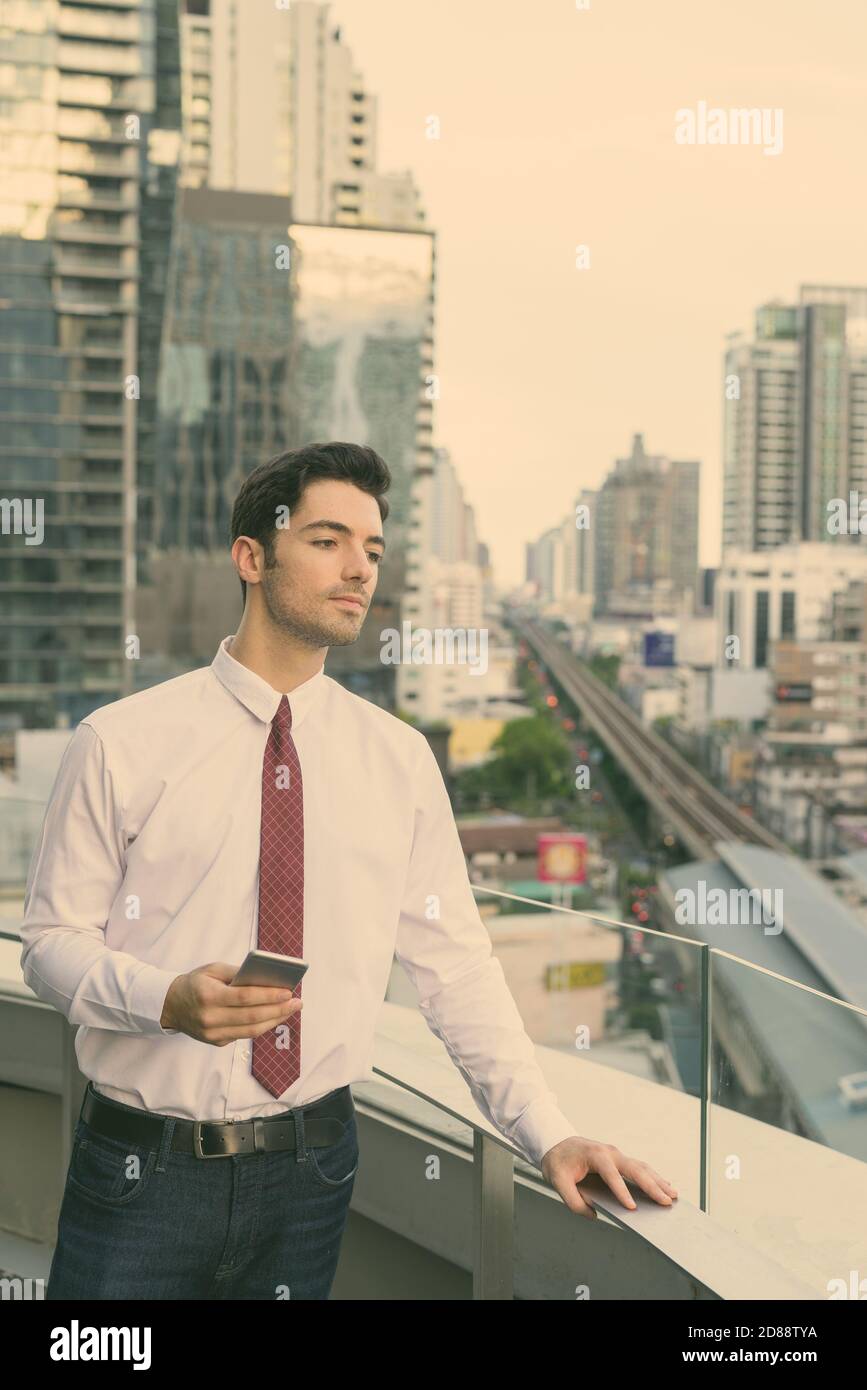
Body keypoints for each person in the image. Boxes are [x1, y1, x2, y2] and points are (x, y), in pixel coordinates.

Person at [21, 441, 677, 1301]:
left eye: (371, 549)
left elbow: (455, 967)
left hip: (314, 1171)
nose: (358, 568)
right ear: (251, 556)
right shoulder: (121, 741)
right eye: (328, 540)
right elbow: (48, 945)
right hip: (142, 1169)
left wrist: (547, 1132)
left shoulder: (397, 760)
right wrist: (166, 1000)